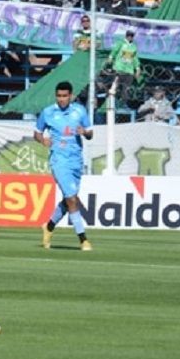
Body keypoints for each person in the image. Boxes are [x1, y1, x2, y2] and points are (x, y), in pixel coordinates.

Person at [38, 81, 94, 251]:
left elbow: (90, 133)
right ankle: (83, 239)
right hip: (59, 160)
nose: (61, 99)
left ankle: (48, 227)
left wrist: (84, 132)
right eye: (59, 96)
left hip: (76, 161)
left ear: (71, 96)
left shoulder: (80, 111)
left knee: (70, 198)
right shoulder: (48, 112)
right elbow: (37, 132)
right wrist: (43, 140)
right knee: (71, 199)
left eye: (64, 96)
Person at [105, 28, 142, 105]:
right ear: (126, 35)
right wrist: (110, 58)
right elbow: (114, 51)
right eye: (128, 35)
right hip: (119, 69)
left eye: (131, 35)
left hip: (129, 71)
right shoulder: (120, 43)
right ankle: (109, 103)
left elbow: (135, 58)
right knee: (114, 87)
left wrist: (137, 68)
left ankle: (123, 104)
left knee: (126, 89)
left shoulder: (134, 46)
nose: (130, 37)